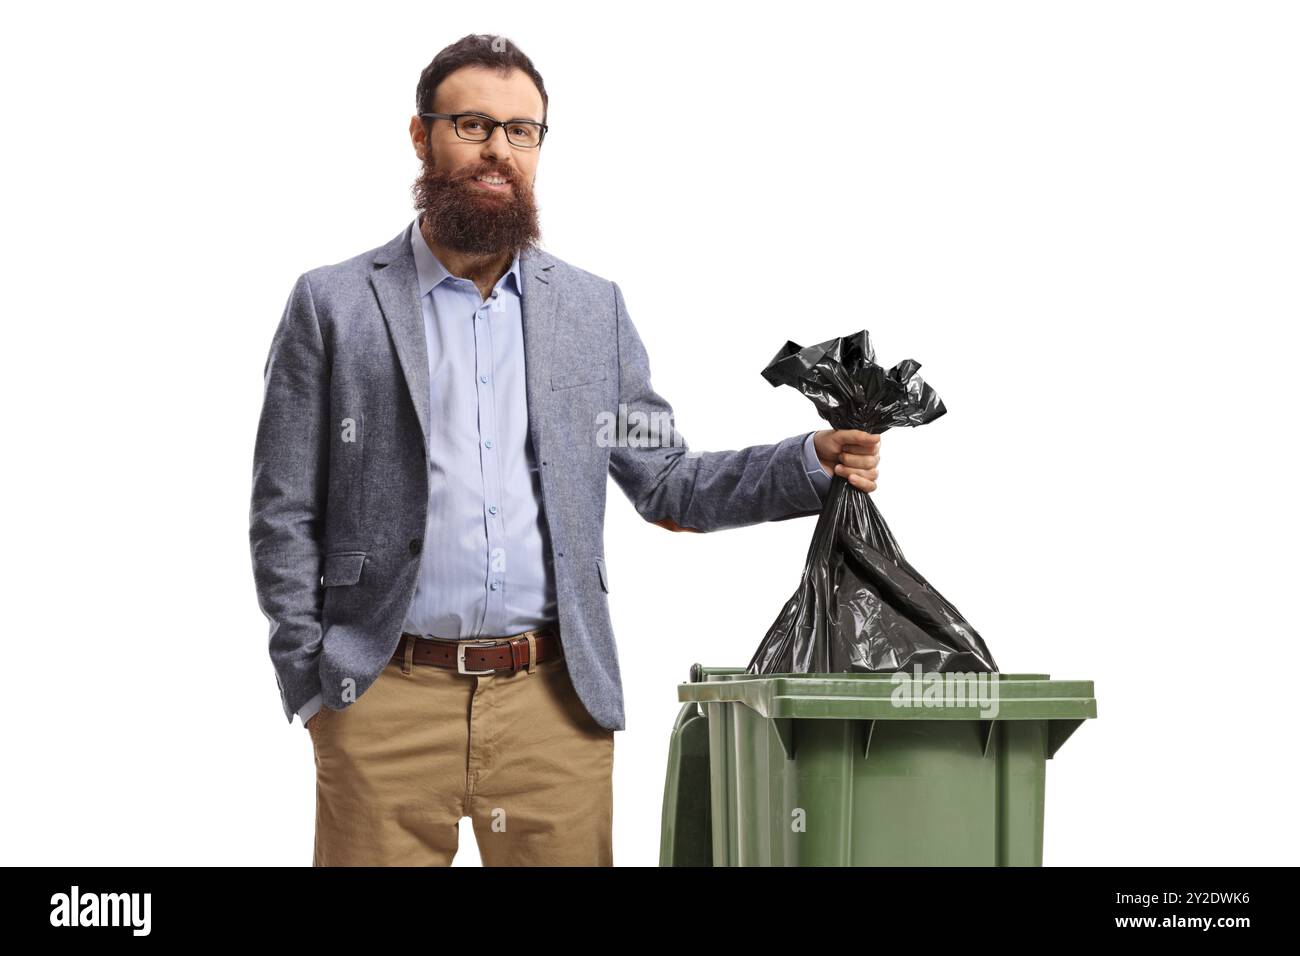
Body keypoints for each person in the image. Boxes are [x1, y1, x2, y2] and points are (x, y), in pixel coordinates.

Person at [249, 33, 882, 867]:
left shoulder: (591, 313)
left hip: (553, 708)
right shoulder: (334, 305)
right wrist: (312, 684)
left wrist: (807, 461)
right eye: (473, 125)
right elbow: (283, 509)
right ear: (421, 136)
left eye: (522, 131)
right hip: (381, 701)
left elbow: (667, 481)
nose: (498, 150)